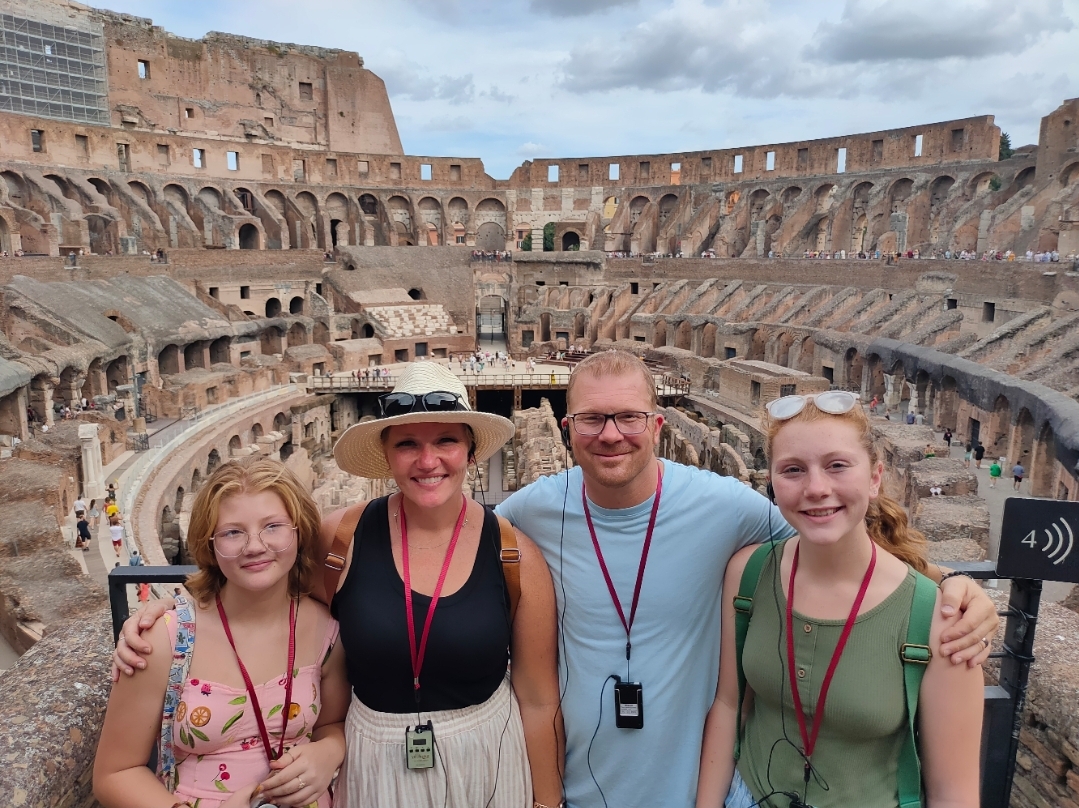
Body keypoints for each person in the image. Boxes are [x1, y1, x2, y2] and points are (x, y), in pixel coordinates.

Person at [119, 352, 996, 808]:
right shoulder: (494, 520)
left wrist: (954, 586)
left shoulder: (731, 510)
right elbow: (263, 581)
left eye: (626, 418)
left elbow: (837, 529)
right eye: (589, 420)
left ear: (656, 421)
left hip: (657, 777)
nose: (609, 436)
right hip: (433, 768)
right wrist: (166, 614)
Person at [114, 364, 564, 808]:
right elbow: (262, 576)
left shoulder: (513, 554)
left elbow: (540, 702)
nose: (428, 461)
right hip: (374, 762)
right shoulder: (339, 540)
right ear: (387, 455)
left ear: (470, 449)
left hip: (486, 758)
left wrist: (547, 804)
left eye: (446, 439)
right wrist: (173, 608)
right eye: (408, 443)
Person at [696, 391, 982, 808]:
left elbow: (952, 793)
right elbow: (728, 705)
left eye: (837, 465)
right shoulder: (747, 574)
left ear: (875, 477)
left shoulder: (942, 621)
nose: (816, 488)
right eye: (792, 469)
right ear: (771, 482)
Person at [94, 457, 351, 808]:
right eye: (233, 532)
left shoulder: (327, 631)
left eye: (273, 526)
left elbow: (332, 723)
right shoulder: (163, 640)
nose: (255, 546)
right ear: (210, 544)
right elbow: (115, 774)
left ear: (299, 531)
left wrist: (329, 752)